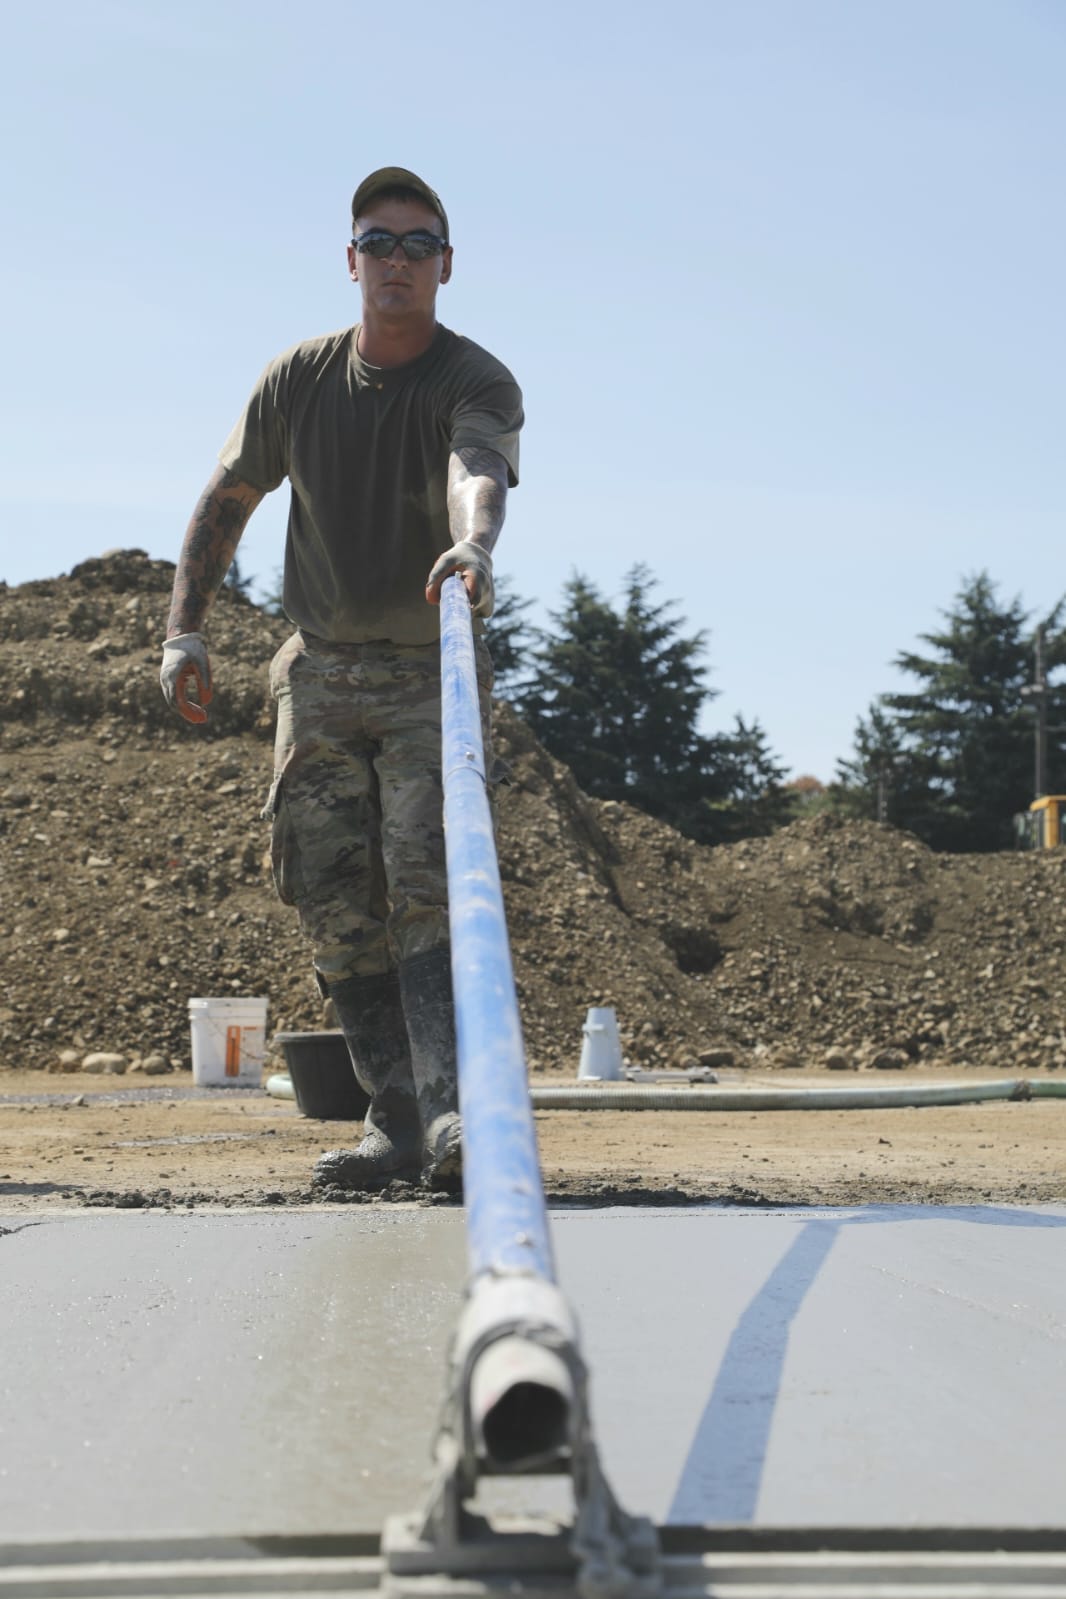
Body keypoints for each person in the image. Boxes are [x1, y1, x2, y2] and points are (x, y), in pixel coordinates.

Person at [160, 167, 523, 1192]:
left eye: (418, 244)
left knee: (424, 882)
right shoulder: (300, 380)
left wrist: (473, 547)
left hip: (424, 674)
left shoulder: (473, 378)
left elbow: (477, 471)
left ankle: (455, 1117)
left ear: (445, 265)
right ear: (351, 258)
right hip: (318, 672)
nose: (397, 260)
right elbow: (228, 496)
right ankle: (394, 1117)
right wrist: (183, 633)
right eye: (379, 241)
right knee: (329, 894)